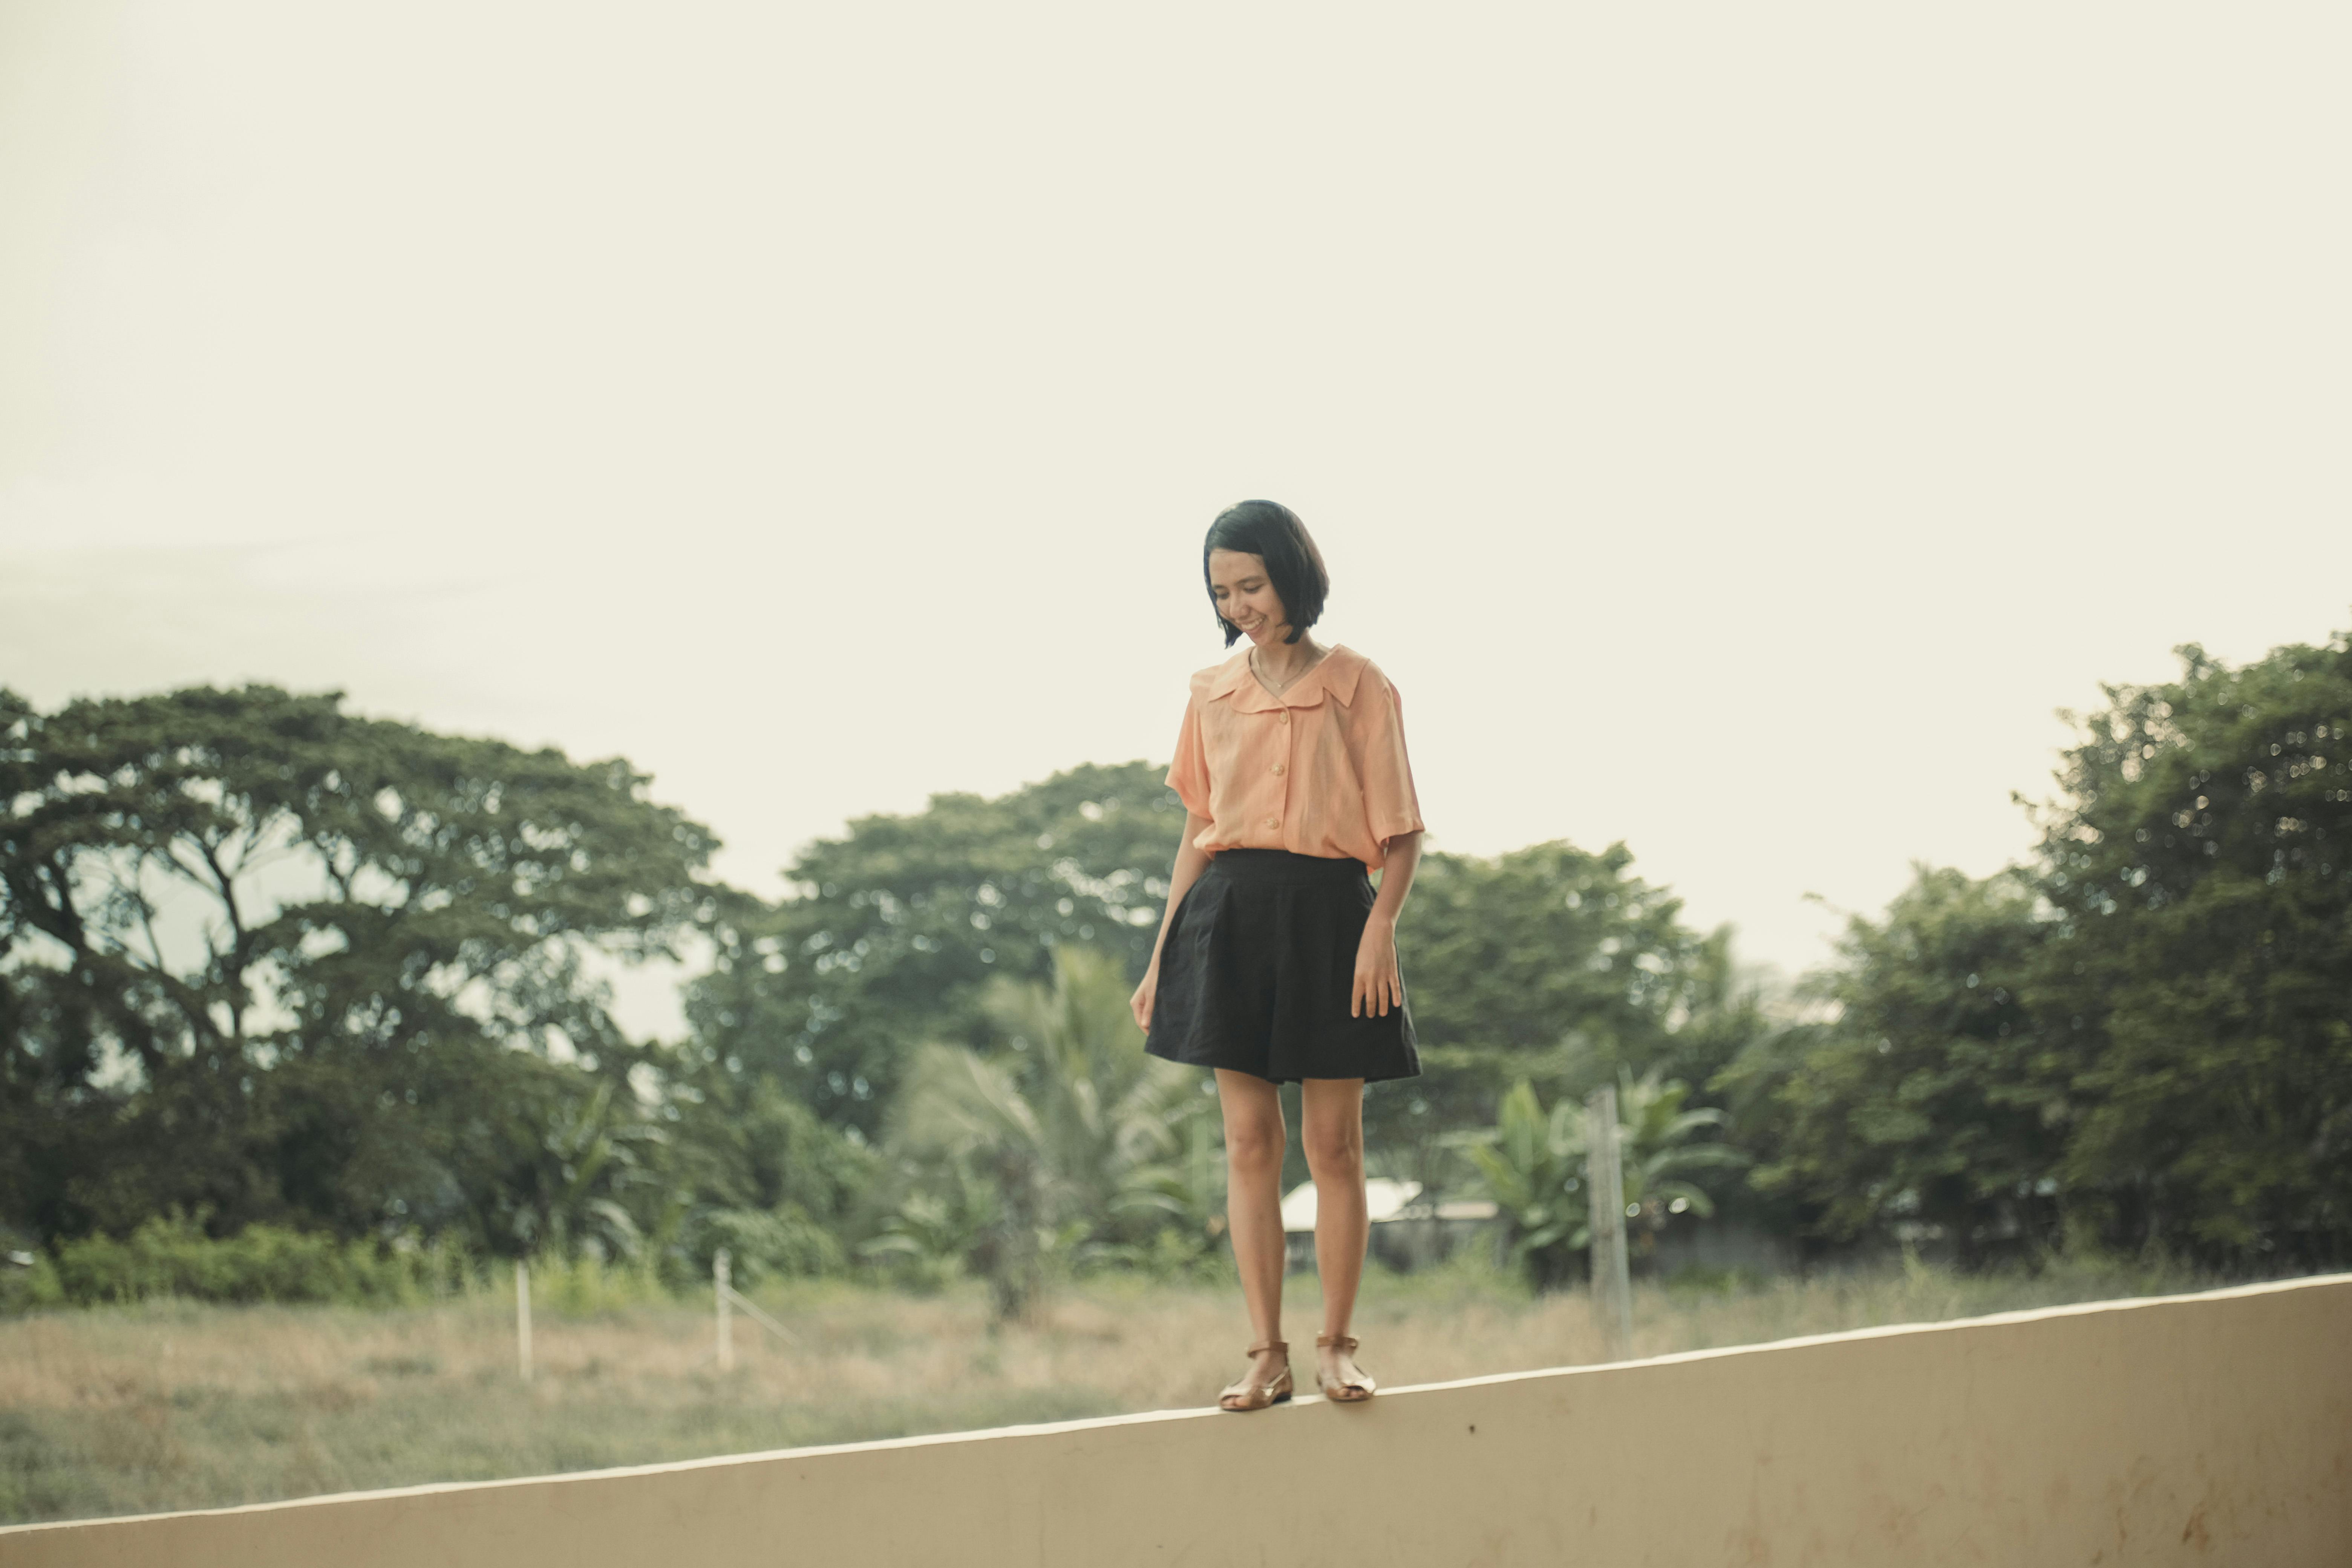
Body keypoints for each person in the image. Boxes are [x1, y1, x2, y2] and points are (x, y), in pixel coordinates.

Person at [1129, 499, 1425, 1413]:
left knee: (1334, 1144)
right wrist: (1160, 954)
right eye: (1223, 590)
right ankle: (1267, 1353)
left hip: (1334, 919)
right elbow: (1196, 832)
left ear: (1294, 574)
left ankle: (1338, 1345)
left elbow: (1404, 832)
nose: (1239, 604)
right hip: (1230, 918)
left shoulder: (1359, 684)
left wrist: (1380, 935)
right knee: (1250, 1142)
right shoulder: (1210, 692)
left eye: (1251, 584)